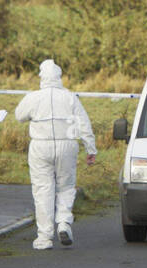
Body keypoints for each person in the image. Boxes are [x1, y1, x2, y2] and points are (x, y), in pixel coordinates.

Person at [14, 59, 96, 250]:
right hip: (67, 144)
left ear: (41, 77)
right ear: (59, 77)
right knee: (66, 186)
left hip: (41, 145)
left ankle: (44, 237)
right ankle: (64, 222)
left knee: (43, 189)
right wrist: (90, 149)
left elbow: (19, 115)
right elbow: (84, 123)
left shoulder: (33, 97)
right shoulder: (70, 97)